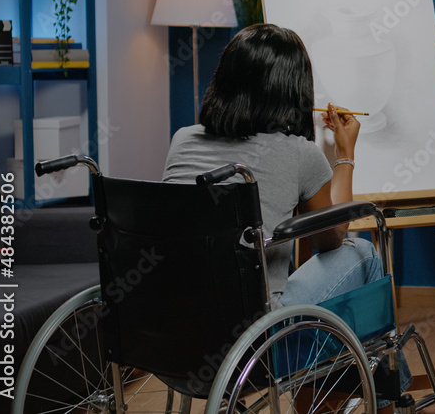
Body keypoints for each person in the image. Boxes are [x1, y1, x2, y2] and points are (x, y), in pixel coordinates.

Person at [162, 23, 410, 411]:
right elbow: (332, 238)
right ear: (294, 90)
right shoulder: (297, 153)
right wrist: (345, 154)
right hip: (253, 349)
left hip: (172, 345)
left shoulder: (183, 140)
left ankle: (325, 400)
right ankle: (388, 396)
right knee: (361, 254)